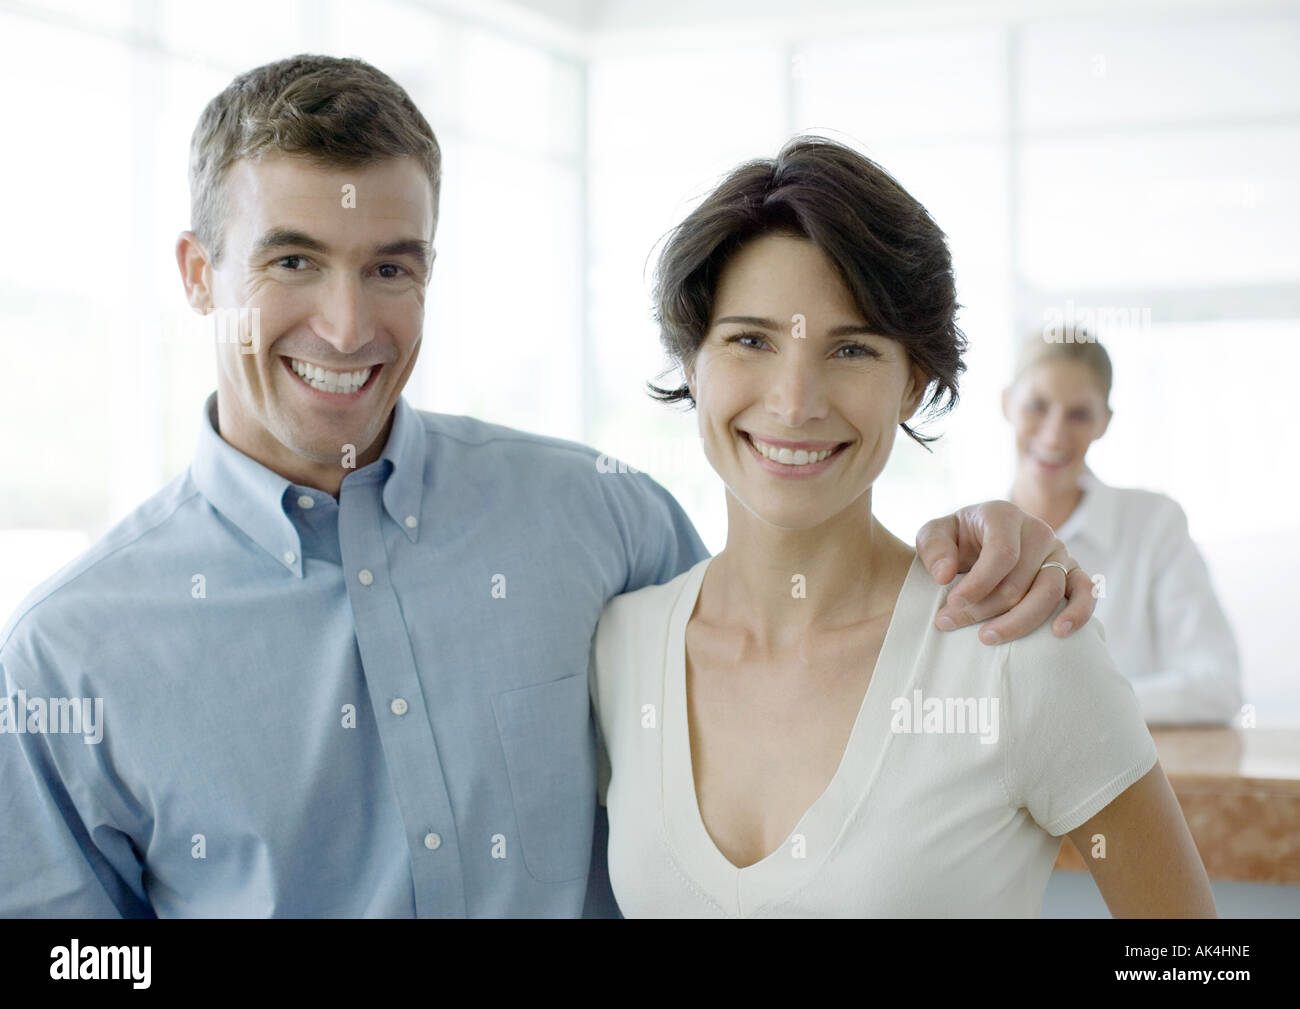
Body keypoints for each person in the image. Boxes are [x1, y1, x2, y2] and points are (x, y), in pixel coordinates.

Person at [0, 57, 1091, 918]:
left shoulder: (602, 518)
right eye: (291, 261)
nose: (346, 324)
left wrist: (996, 534)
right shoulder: (71, 652)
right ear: (200, 275)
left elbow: (802, 661)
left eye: (391, 265)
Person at [589, 136, 1215, 917]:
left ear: (913, 383)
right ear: (692, 361)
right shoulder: (619, 649)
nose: (795, 399)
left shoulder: (1011, 646)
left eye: (850, 348)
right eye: (751, 339)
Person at [1003, 334, 1242, 724]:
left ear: (1103, 423)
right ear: (1006, 404)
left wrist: (1075, 704)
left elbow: (1217, 688)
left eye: (1079, 414)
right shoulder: (965, 539)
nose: (1054, 435)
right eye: (1037, 406)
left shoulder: (1153, 524)